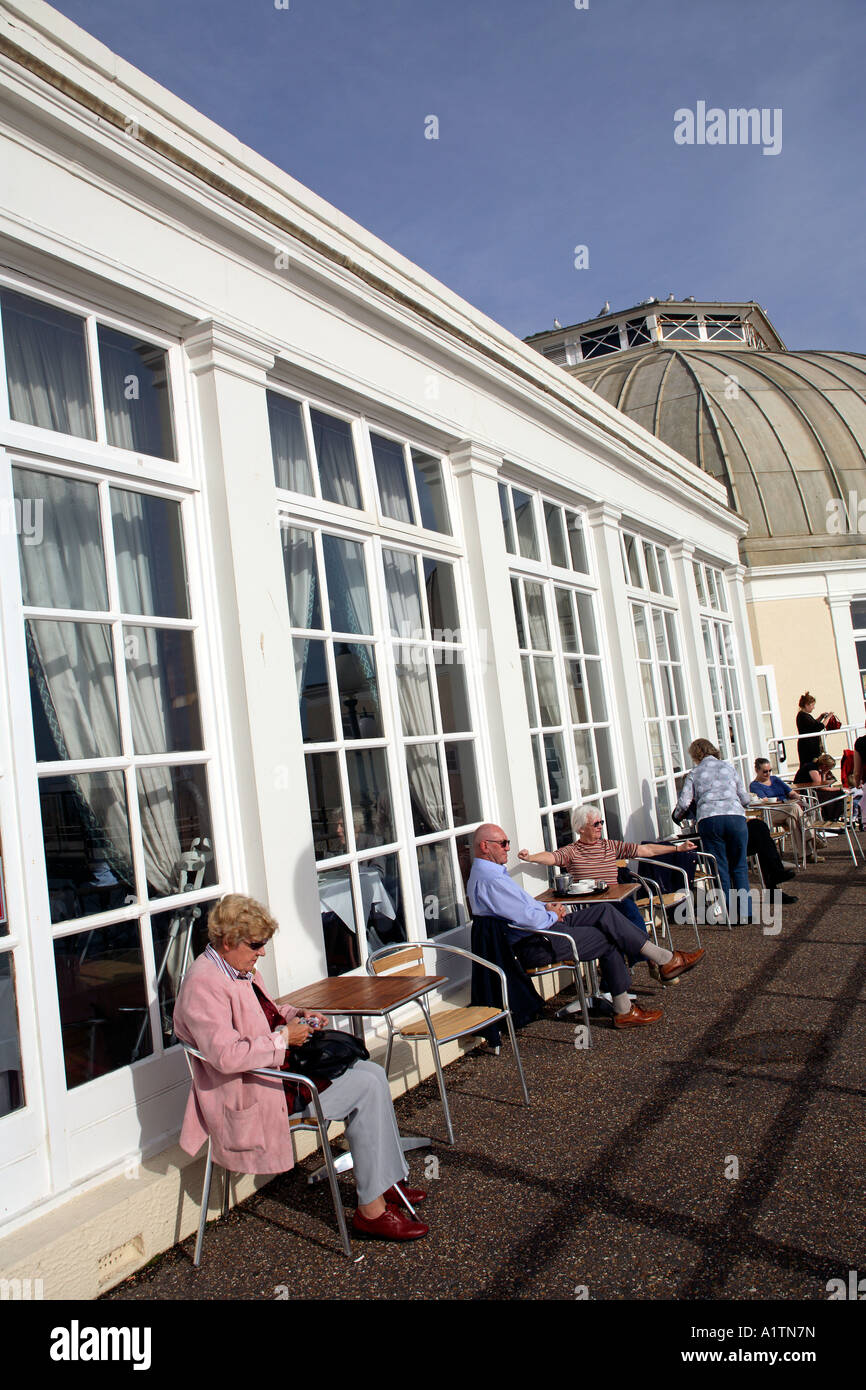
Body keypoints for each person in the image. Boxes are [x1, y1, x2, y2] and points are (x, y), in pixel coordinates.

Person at [173, 893, 428, 1242]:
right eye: (257, 944)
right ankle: (371, 1210)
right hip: (253, 1094)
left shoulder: (236, 968)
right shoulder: (204, 984)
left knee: (372, 1073)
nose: (262, 952)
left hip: (274, 1077)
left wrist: (297, 1016)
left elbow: (265, 1013)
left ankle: (385, 1184)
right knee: (366, 1087)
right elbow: (226, 1056)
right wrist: (283, 1040)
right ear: (229, 940)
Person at [468, 824, 704, 1030]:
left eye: (508, 843)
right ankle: (626, 1007)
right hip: (539, 940)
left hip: (544, 928)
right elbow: (527, 920)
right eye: (503, 843)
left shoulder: (490, 874)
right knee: (608, 937)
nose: (508, 848)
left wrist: (548, 910)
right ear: (484, 846)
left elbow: (521, 911)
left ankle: (663, 960)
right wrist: (550, 914)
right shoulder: (490, 880)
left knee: (605, 911)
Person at [518, 804, 696, 935]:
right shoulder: (572, 851)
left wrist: (677, 849)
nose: (600, 826)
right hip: (591, 905)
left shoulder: (610, 846)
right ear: (581, 828)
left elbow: (645, 850)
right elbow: (551, 857)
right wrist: (531, 857)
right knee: (620, 921)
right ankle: (650, 959)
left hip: (616, 898)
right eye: (596, 824)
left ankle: (646, 959)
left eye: (601, 822)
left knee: (630, 911)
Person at [674, 738, 752, 922]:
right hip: (735, 817)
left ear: (695, 754)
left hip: (710, 819)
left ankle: (731, 914)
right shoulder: (728, 768)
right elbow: (745, 798)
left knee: (720, 867)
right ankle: (746, 913)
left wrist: (677, 816)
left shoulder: (695, 773)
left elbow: (684, 802)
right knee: (739, 865)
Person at [750, 757, 814, 865]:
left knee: (792, 820)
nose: (768, 774)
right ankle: (811, 836)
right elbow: (766, 802)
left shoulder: (775, 779)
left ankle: (805, 855)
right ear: (757, 770)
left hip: (787, 810)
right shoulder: (754, 785)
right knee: (794, 808)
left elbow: (791, 792)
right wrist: (786, 801)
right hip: (771, 812)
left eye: (770, 770)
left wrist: (797, 797)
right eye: (765, 771)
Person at [793, 752, 841, 822]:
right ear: (824, 766)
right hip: (803, 793)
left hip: (810, 792)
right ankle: (830, 819)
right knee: (837, 794)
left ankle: (831, 818)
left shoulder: (816, 767)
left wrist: (824, 773)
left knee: (834, 795)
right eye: (829, 768)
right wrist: (839, 789)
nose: (829, 770)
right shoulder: (812, 768)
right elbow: (820, 786)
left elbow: (823, 784)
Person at [795, 692, 836, 772]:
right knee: (810, 765)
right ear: (807, 705)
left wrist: (821, 717)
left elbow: (813, 725)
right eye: (812, 705)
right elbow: (818, 727)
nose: (813, 708)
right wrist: (828, 717)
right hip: (808, 746)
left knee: (812, 764)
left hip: (809, 745)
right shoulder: (803, 716)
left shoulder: (804, 715)